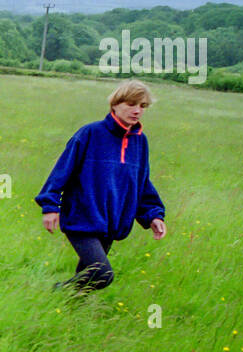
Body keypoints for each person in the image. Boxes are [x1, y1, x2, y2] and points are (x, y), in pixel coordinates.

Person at [35, 79, 167, 291]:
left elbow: (141, 183)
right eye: (131, 104)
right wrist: (50, 207)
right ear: (115, 104)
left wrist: (153, 214)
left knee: (88, 278)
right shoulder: (90, 134)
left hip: (110, 223)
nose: (137, 111)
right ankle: (57, 291)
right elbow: (62, 171)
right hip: (82, 218)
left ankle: (70, 311)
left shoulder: (140, 142)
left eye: (142, 106)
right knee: (102, 274)